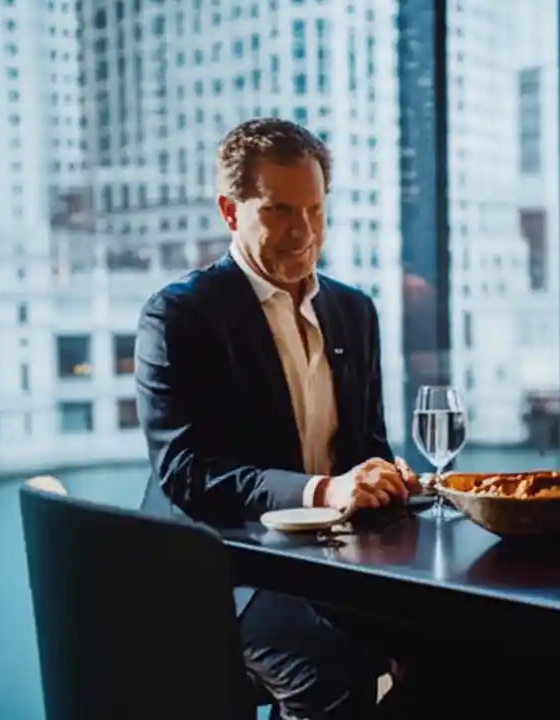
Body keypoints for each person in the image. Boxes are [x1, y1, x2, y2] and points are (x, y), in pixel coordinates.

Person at [135, 117, 412, 718]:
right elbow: (188, 473)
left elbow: (367, 444)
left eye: (315, 210)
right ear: (230, 212)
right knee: (331, 672)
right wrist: (324, 489)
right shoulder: (178, 316)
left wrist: (386, 475)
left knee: (463, 645)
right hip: (223, 567)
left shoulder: (354, 311)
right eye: (280, 211)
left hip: (332, 562)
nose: (303, 233)